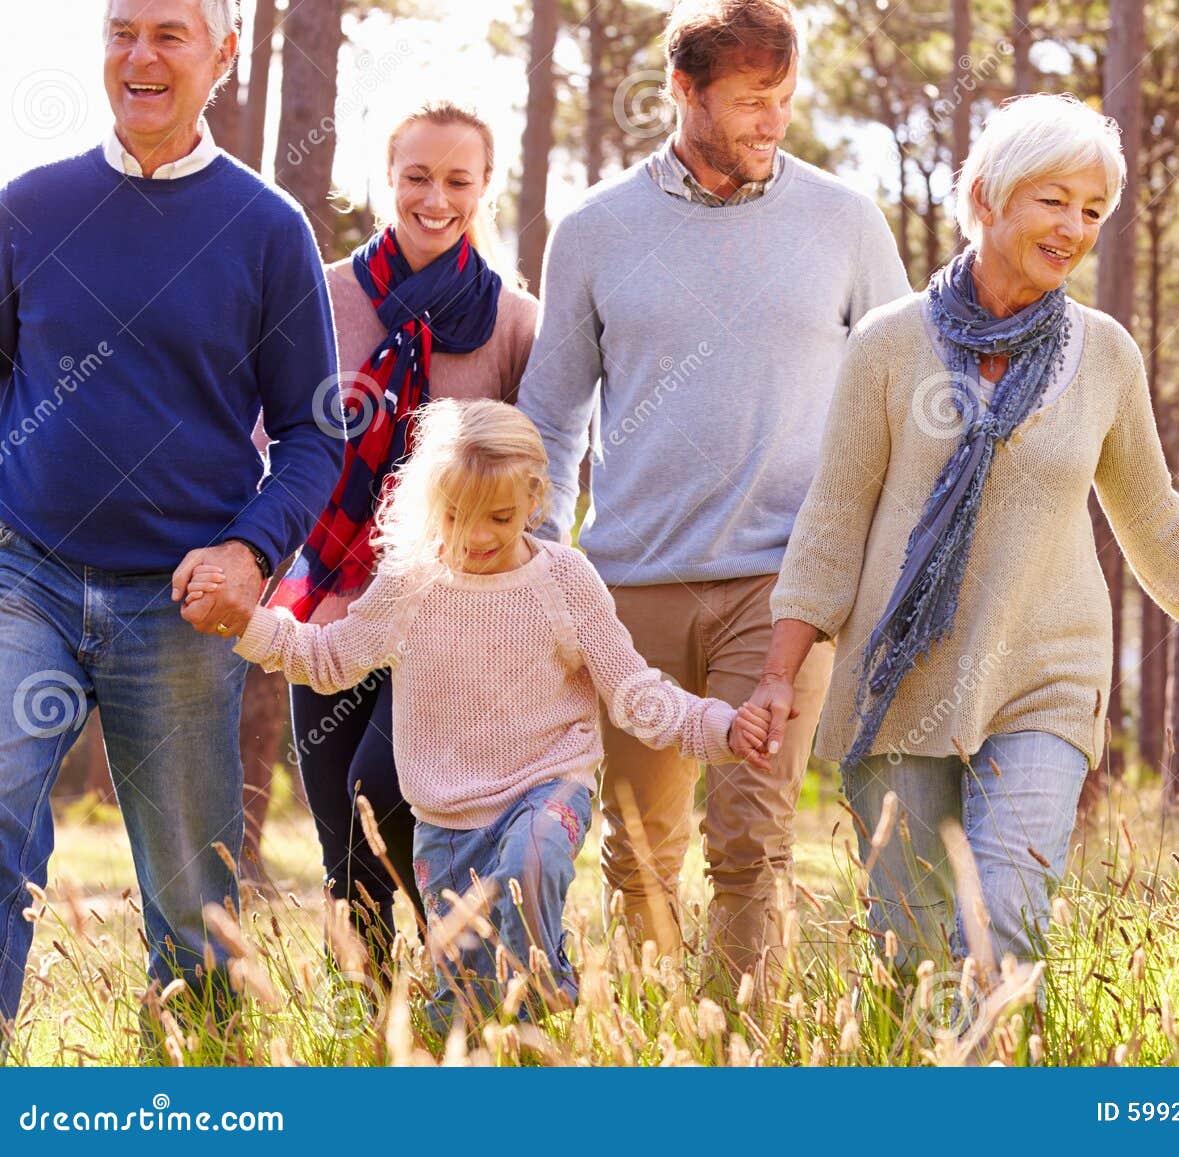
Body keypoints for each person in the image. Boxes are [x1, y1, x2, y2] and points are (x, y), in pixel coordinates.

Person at [748, 94, 1179, 981]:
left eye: (1093, 210)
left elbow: (1154, 520)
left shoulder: (1104, 354)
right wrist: (776, 677)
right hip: (902, 678)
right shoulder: (888, 344)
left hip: (1047, 679)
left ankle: (994, 1070)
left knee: (1005, 931)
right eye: (1053, 200)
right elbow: (833, 520)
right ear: (986, 196)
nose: (1074, 228)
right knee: (909, 955)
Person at [517, 0, 910, 987]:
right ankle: (657, 1044)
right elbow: (553, 416)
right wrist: (540, 559)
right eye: (748, 102)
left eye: (783, 98)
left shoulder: (844, 221)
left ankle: (743, 1054)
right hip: (629, 588)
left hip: (782, 583)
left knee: (751, 843)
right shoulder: (594, 229)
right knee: (638, 850)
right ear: (682, 90)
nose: (772, 122)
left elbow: (903, 395)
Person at [191, 400, 768, 1026]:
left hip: (546, 785)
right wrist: (249, 624)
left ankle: (549, 986)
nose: (478, 536)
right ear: (430, 504)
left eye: (500, 516)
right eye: (457, 516)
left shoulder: (565, 579)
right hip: (446, 817)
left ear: (534, 500)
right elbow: (330, 660)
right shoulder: (411, 583)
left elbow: (632, 690)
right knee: (463, 1002)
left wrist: (719, 727)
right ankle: (481, 1040)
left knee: (531, 860)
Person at [0, 0, 342, 1045]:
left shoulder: (268, 228)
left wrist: (250, 550)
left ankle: (198, 1087)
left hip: (182, 603)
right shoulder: (29, 207)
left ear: (224, 54)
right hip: (27, 575)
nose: (140, 56)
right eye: (122, 31)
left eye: (169, 34)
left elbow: (313, 433)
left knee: (193, 897)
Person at [271, 101, 540, 963]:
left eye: (458, 180)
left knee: (384, 793)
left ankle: (462, 979)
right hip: (330, 600)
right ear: (387, 178)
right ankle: (375, 1015)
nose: (436, 198)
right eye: (417, 176)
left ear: (485, 186)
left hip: (445, 611)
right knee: (341, 843)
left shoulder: (513, 322)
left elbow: (532, 473)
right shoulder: (321, 294)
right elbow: (266, 431)